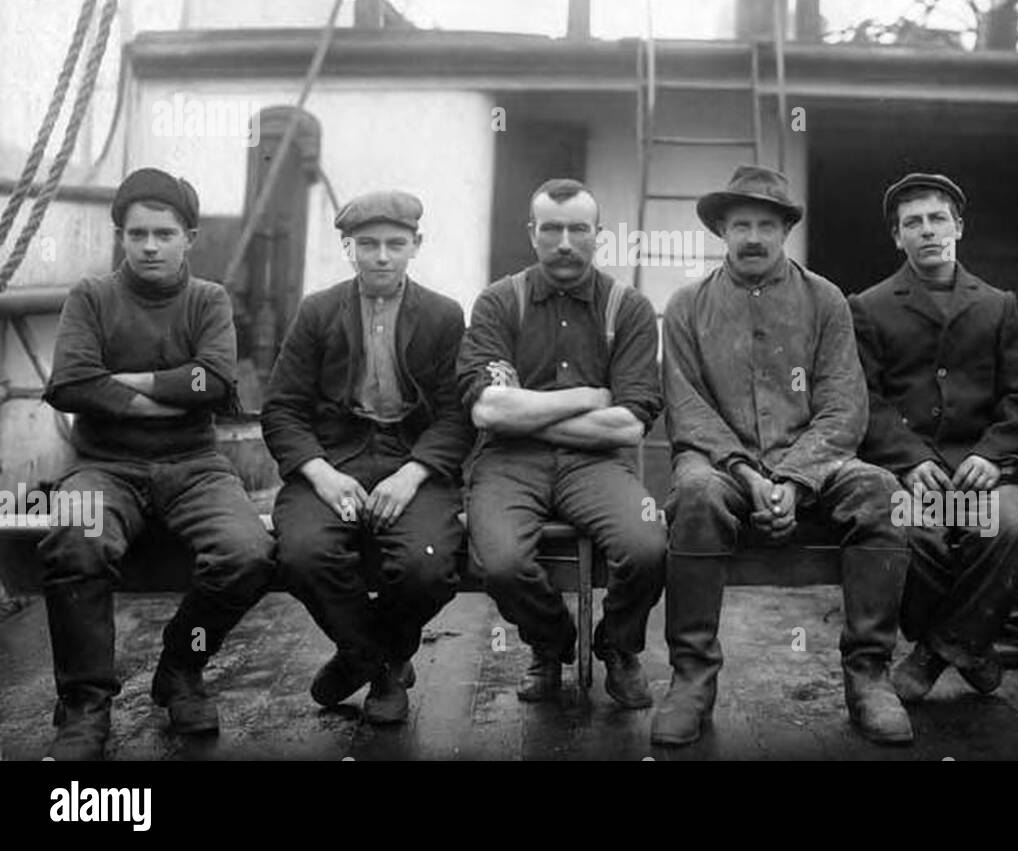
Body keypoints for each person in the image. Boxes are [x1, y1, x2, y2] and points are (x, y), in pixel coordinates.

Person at [653, 164, 913, 747]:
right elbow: (688, 410)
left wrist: (793, 480)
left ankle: (869, 675)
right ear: (721, 229)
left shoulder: (825, 301)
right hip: (720, 465)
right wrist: (745, 473)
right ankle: (692, 678)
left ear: (785, 230)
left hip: (815, 464)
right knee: (693, 495)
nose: (752, 236)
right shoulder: (688, 305)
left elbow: (845, 408)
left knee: (881, 492)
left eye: (766, 224)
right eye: (740, 223)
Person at [40, 167, 275, 760]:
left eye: (164, 234)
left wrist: (119, 385)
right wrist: (168, 394)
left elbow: (214, 380)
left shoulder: (208, 299)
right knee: (76, 540)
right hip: (102, 466)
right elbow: (69, 385)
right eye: (137, 233)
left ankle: (179, 669)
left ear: (188, 237)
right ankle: (86, 704)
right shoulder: (90, 297)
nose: (149, 246)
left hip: (195, 464)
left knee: (248, 552)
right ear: (120, 235)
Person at [261, 190, 472, 724]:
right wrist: (321, 475)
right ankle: (379, 663)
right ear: (348, 247)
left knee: (426, 565)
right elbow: (282, 408)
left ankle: (369, 656)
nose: (381, 256)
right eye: (368, 245)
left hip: (413, 463)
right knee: (303, 553)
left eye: (395, 244)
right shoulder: (318, 311)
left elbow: (456, 415)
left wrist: (413, 474)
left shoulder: (444, 316)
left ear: (415, 246)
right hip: (335, 461)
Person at [457, 178, 665, 708]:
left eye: (578, 229)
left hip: (596, 465)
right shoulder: (500, 302)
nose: (565, 242)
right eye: (552, 229)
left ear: (599, 235)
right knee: (500, 565)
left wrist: (524, 413)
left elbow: (628, 426)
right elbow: (487, 409)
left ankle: (618, 647)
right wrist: (591, 396)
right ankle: (551, 645)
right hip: (507, 464)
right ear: (533, 234)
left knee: (646, 545)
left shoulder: (629, 308)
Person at [850, 173, 1018, 702]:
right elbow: (866, 399)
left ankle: (937, 651)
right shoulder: (868, 306)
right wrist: (907, 461)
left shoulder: (998, 304)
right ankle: (970, 645)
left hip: (983, 474)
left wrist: (993, 455)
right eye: (913, 223)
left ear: (959, 226)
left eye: (938, 219)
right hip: (914, 477)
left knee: (1008, 528)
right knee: (914, 535)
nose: (927, 231)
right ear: (897, 237)